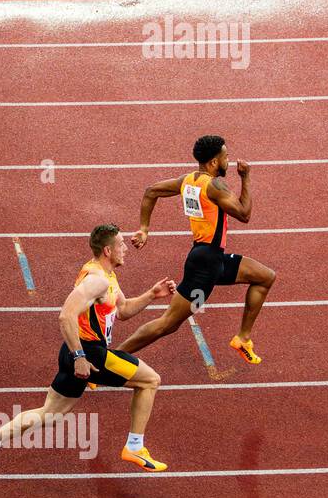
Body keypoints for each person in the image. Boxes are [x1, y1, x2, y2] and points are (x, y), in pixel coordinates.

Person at [0, 225, 175, 477]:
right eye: (121, 244)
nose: (125, 249)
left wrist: (152, 294)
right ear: (108, 250)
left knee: (50, 413)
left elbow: (124, 310)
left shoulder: (107, 276)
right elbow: (66, 316)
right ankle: (134, 447)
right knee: (150, 381)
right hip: (90, 355)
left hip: (75, 352)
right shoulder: (96, 280)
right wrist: (80, 358)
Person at [116, 135, 276, 364]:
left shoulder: (188, 180)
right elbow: (244, 214)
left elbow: (151, 191)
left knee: (265, 277)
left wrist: (144, 228)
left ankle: (243, 338)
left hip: (210, 257)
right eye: (225, 157)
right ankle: (109, 359)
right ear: (213, 163)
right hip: (206, 264)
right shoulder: (215, 185)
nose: (228, 162)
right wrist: (246, 178)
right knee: (167, 324)